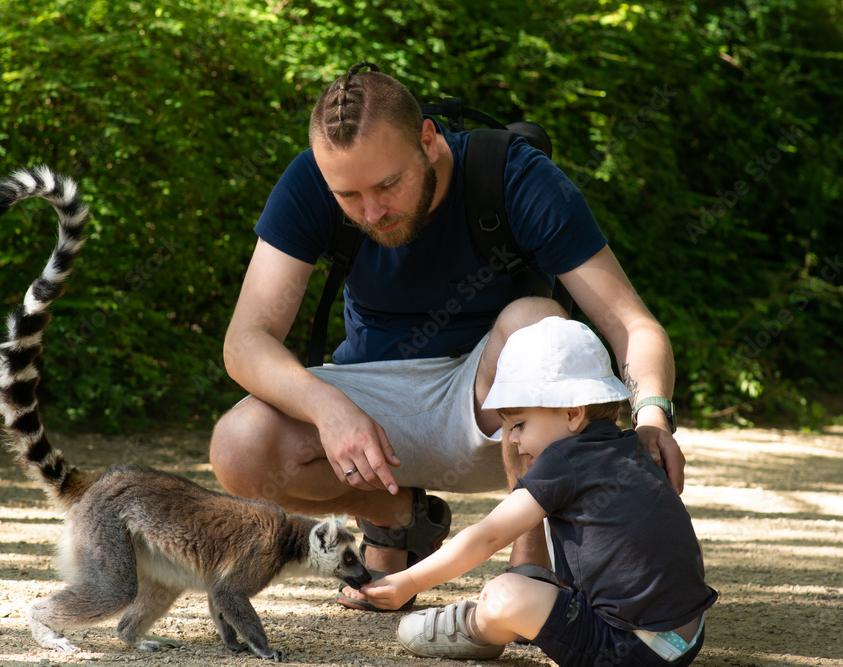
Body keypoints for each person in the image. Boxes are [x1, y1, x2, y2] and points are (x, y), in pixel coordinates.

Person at [208, 61, 683, 610]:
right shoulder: (311, 181)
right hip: (370, 404)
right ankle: (397, 521)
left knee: (535, 317)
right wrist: (327, 408)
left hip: (497, 407)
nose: (372, 212)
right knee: (238, 448)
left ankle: (531, 564)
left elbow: (632, 324)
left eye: (388, 185)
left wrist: (652, 416)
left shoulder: (513, 176)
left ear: (428, 140)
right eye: (349, 197)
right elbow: (245, 341)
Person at [361, 316, 718, 665]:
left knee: (505, 592)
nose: (512, 439)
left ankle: (478, 626)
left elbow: (487, 537)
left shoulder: (564, 460)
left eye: (519, 424)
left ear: (572, 414)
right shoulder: (633, 448)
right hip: (686, 637)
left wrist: (408, 581)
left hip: (629, 648)